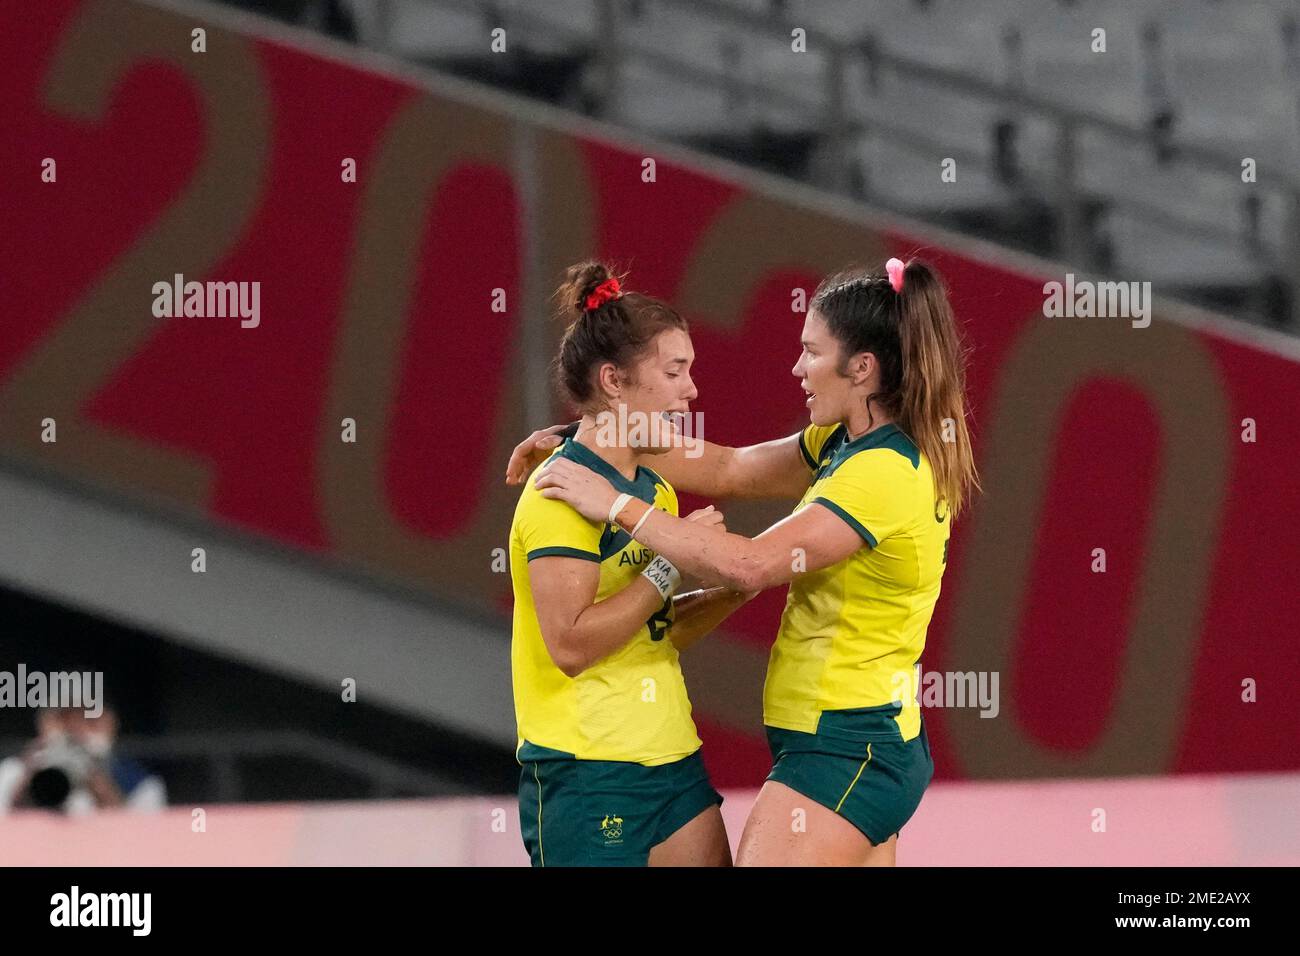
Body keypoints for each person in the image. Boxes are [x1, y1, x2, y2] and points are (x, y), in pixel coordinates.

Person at [511, 258, 979, 865]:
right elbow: (728, 468)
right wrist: (590, 434)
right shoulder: (846, 441)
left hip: (849, 745)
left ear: (861, 368)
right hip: (847, 742)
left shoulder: (882, 472)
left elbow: (750, 564)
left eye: (811, 352)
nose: (797, 368)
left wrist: (618, 504)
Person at [509, 261, 751, 867]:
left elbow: (652, 629)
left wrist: (735, 585)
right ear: (614, 380)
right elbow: (570, 645)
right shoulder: (560, 493)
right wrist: (668, 564)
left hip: (673, 761)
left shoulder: (654, 490)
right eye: (674, 372)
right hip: (588, 773)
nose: (691, 390)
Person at [0, 705, 167, 816]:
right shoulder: (12, 772)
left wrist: (102, 789)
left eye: (89, 719)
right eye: (64, 719)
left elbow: (141, 843)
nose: (75, 730)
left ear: (111, 723)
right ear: (43, 723)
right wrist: (27, 780)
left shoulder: (142, 784)